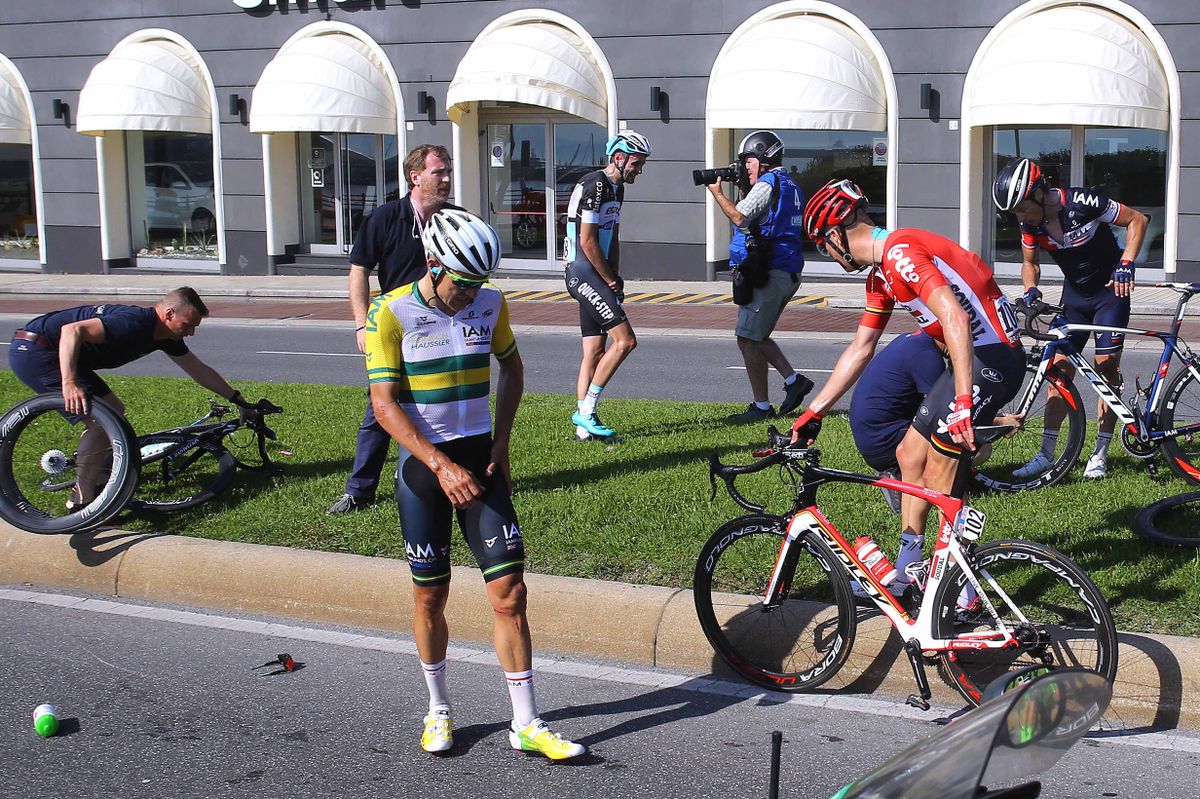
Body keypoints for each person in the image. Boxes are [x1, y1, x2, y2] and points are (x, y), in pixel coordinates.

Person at [365, 208, 585, 760]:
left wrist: (501, 442)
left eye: (478, 283)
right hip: (425, 469)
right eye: (462, 283)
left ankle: (527, 723)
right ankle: (438, 708)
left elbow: (513, 369)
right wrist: (441, 465)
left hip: (480, 462)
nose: (470, 294)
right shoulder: (389, 311)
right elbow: (383, 405)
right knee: (430, 595)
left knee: (511, 593)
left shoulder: (491, 303)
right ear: (434, 263)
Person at [793, 179, 1025, 597]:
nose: (828, 255)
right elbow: (861, 348)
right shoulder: (881, 276)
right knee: (908, 455)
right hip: (974, 356)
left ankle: (960, 591)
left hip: (993, 358)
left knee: (940, 469)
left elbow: (954, 316)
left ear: (836, 233)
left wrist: (963, 400)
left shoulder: (900, 253)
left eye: (823, 246)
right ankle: (907, 569)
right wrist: (814, 412)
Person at [7, 287, 253, 506]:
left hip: (61, 355)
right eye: (187, 325)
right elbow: (72, 330)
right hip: (36, 351)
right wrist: (69, 382)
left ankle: (97, 473)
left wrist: (239, 400)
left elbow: (200, 371)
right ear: (169, 314)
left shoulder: (165, 336)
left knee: (112, 411)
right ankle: (83, 500)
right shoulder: (133, 324)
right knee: (101, 422)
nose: (191, 332)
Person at [993, 158, 1150, 479]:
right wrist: (1031, 289)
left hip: (1110, 296)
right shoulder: (1030, 225)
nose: (1019, 217)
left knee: (1107, 369)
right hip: (1075, 299)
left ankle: (1100, 453)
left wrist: (1127, 262)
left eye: (1021, 209)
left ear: (1039, 193)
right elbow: (1030, 263)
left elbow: (1137, 219)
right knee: (1058, 371)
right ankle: (1046, 454)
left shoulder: (1083, 202)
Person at [328, 144, 458, 514]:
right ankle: (359, 491)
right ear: (415, 177)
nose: (446, 179)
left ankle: (450, 475)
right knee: (380, 407)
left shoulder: (454, 220)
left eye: (448, 171)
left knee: (445, 405)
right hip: (395, 330)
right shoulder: (385, 218)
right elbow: (358, 271)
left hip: (442, 328)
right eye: (438, 172)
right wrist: (361, 324)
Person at [707, 130, 812, 423]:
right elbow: (764, 219)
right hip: (784, 269)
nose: (745, 167)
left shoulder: (768, 183)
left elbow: (740, 217)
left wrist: (717, 193)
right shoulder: (789, 183)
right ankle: (793, 382)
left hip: (771, 271)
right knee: (756, 336)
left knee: (747, 337)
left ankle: (762, 406)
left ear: (764, 158)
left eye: (749, 161)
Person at [562, 130, 651, 441]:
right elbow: (587, 241)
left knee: (594, 350)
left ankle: (582, 430)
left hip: (595, 273)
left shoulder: (617, 188)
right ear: (619, 158)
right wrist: (609, 279)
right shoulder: (595, 185)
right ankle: (586, 412)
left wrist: (616, 274)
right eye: (637, 164)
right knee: (625, 341)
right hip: (583, 272)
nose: (639, 170)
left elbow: (612, 235)